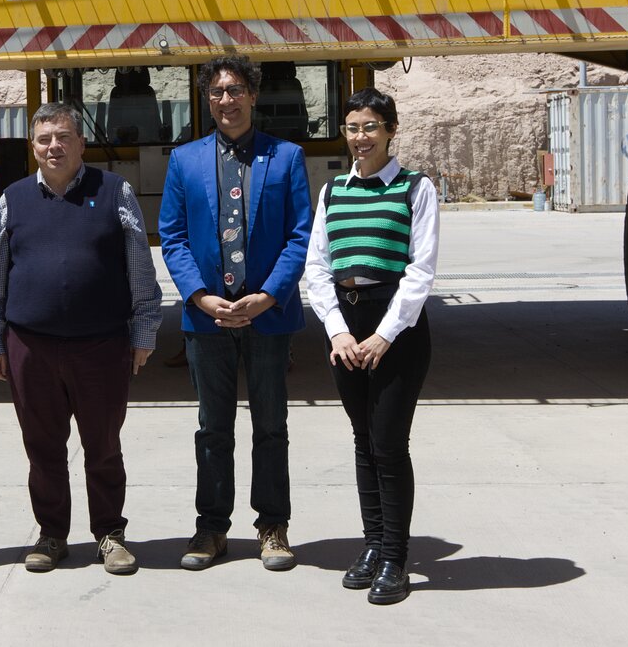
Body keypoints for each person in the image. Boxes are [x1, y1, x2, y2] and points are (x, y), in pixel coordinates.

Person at [0, 102, 162, 575]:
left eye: (63, 137)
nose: (53, 146)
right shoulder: (13, 198)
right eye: (43, 139)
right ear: (33, 147)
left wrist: (143, 330)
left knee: (102, 446)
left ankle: (110, 535)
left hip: (102, 346)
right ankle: (52, 534)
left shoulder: (115, 190)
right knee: (42, 448)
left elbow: (138, 262)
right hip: (30, 346)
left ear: (80, 143)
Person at [159, 54, 312, 572]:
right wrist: (200, 296)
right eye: (218, 92)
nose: (228, 100)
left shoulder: (286, 157)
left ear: (253, 94)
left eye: (236, 90)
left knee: (271, 425)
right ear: (208, 99)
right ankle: (211, 528)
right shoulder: (185, 160)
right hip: (208, 318)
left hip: (267, 316)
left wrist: (268, 295)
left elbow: (300, 235)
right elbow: (173, 237)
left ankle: (273, 526)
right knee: (212, 427)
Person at [304, 87, 437, 605]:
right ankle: (374, 546)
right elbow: (318, 268)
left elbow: (420, 270)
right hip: (346, 327)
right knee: (363, 442)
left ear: (390, 130)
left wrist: (384, 333)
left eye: (371, 128)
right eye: (353, 128)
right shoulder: (332, 191)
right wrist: (338, 330)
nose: (361, 138)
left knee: (388, 444)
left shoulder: (414, 188)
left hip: (396, 330)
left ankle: (396, 559)